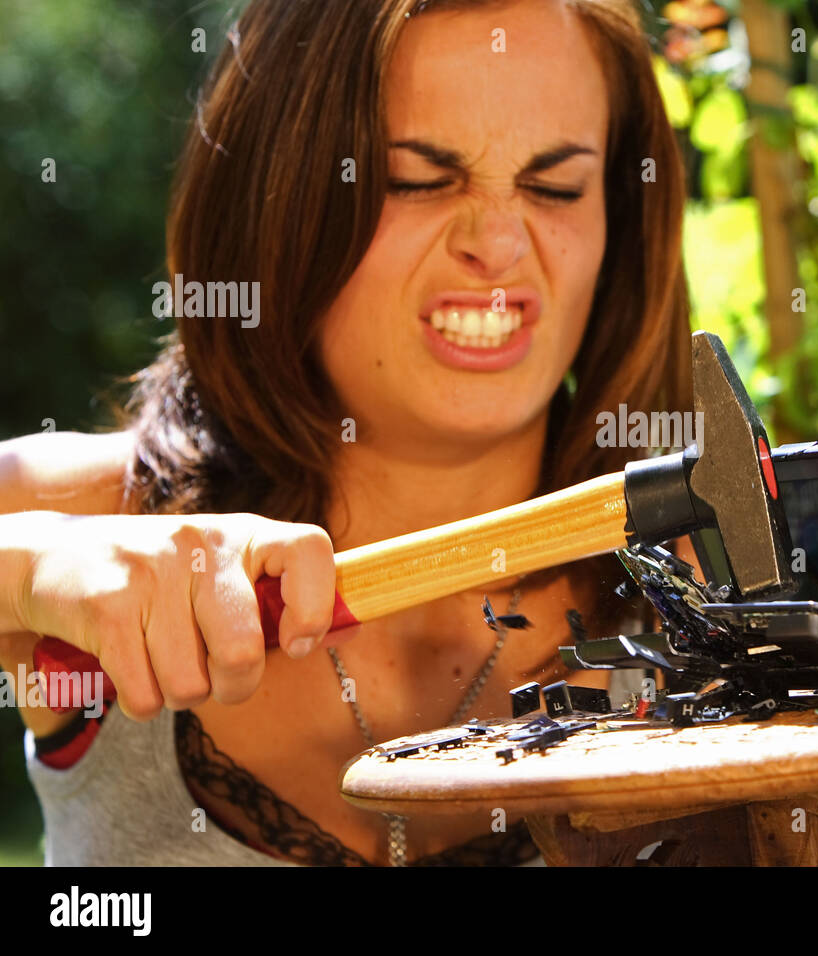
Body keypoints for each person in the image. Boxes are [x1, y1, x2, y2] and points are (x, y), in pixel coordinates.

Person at [0, 0, 694, 866]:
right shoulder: (88, 514)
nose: (500, 243)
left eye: (553, 187)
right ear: (277, 198)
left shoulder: (712, 586)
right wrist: (35, 570)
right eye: (417, 179)